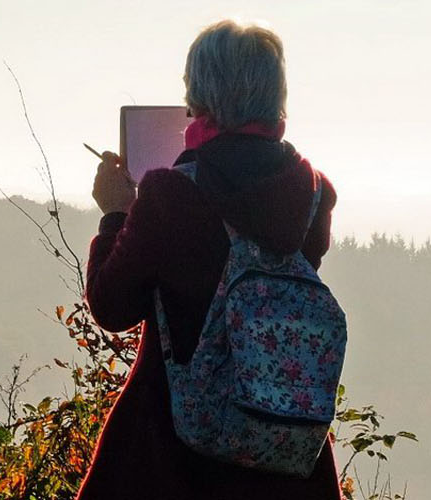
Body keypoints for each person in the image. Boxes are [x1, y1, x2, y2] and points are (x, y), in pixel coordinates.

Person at [75, 19, 340, 500]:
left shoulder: (169, 195)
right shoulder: (314, 192)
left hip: (175, 457)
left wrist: (117, 212)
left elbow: (111, 307)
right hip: (281, 445)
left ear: (199, 97)